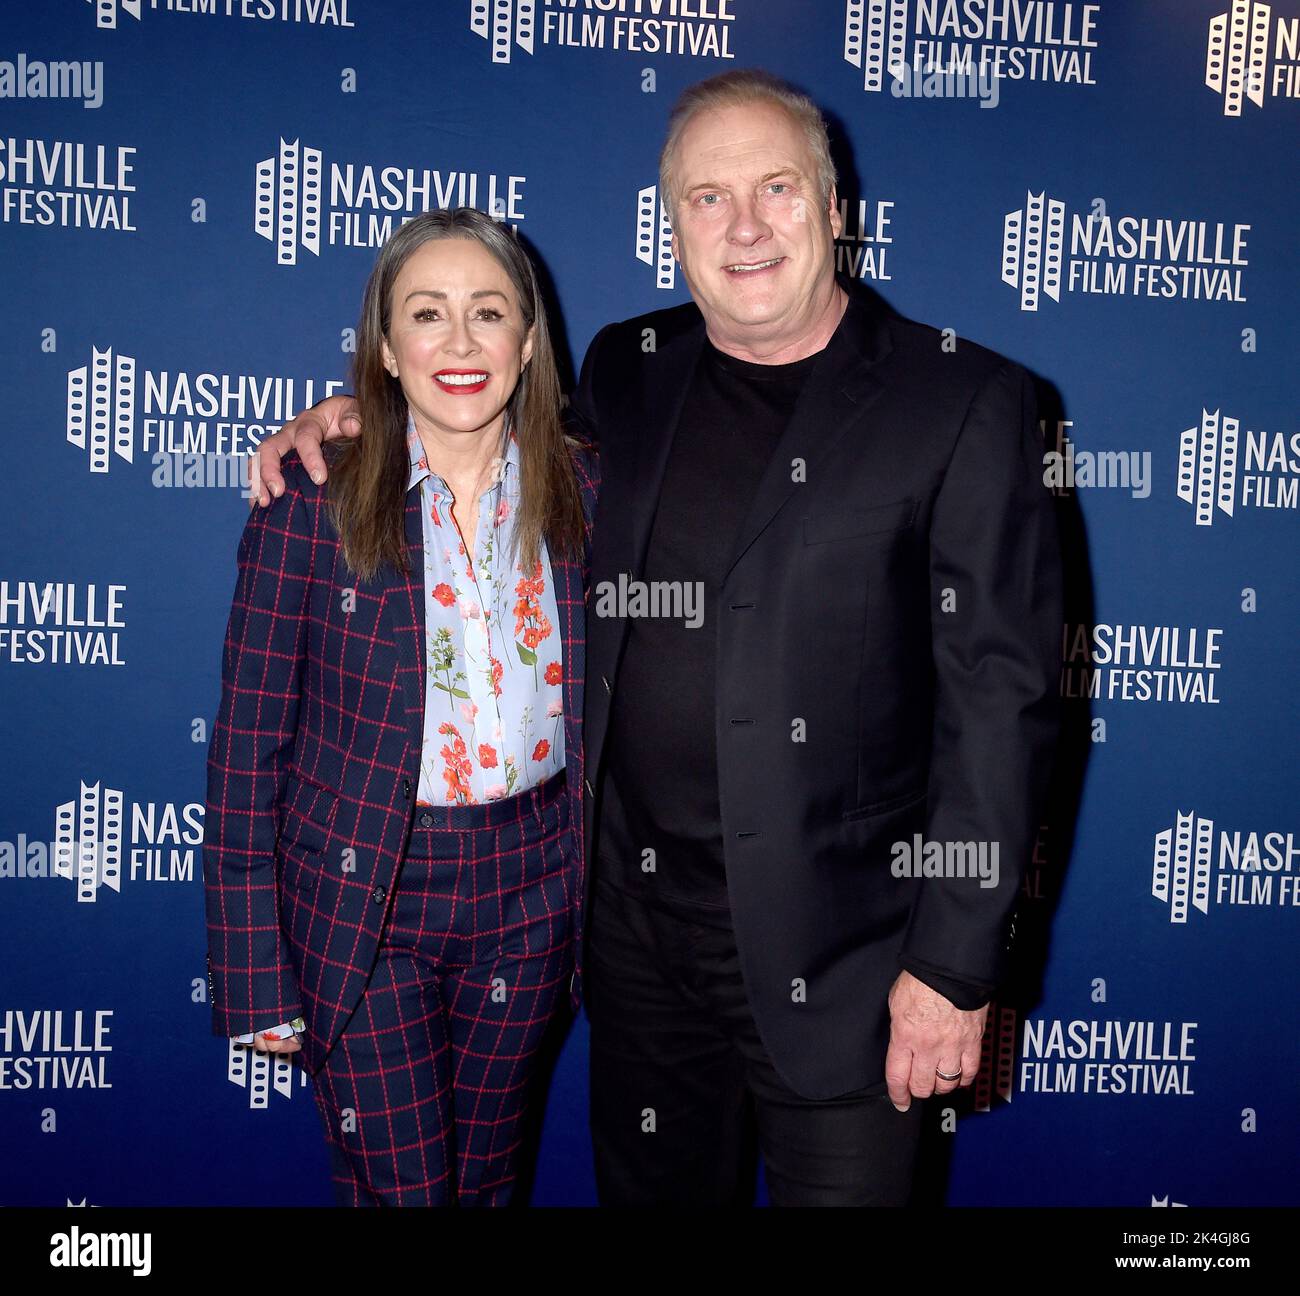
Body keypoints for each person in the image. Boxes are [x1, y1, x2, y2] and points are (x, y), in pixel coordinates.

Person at [251, 69, 1063, 1207]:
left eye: (777, 188)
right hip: (632, 949)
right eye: (704, 197)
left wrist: (952, 968)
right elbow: (472, 420)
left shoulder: (968, 401)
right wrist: (352, 416)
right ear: (669, 221)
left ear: (837, 210)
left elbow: (1003, 703)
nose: (742, 227)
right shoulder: (627, 373)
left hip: (852, 965)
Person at [203, 206, 598, 1206]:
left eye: (488, 312)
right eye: (427, 314)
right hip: (367, 891)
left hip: (536, 889)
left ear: (527, 338)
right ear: (384, 345)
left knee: (486, 1184)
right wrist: (254, 968)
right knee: (403, 1192)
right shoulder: (310, 502)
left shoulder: (594, 492)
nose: (459, 343)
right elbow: (248, 744)